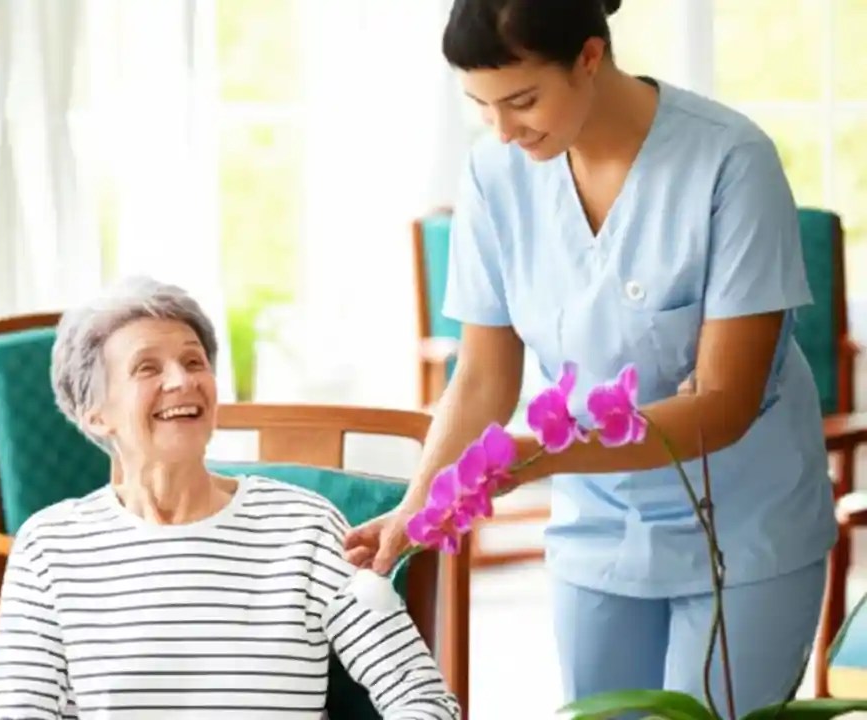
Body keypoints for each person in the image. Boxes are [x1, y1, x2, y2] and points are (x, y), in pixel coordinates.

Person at [343, 0, 835, 713]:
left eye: (522, 100)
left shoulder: (730, 162)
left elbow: (724, 403)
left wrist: (536, 455)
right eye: (481, 107)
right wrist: (417, 505)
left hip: (743, 527)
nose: (505, 131)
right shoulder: (495, 176)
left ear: (590, 57)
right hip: (597, 527)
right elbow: (482, 376)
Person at [0, 276, 462, 719]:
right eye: (147, 368)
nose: (183, 380)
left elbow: (421, 699)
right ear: (95, 414)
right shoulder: (49, 547)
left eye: (194, 361)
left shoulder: (306, 528)